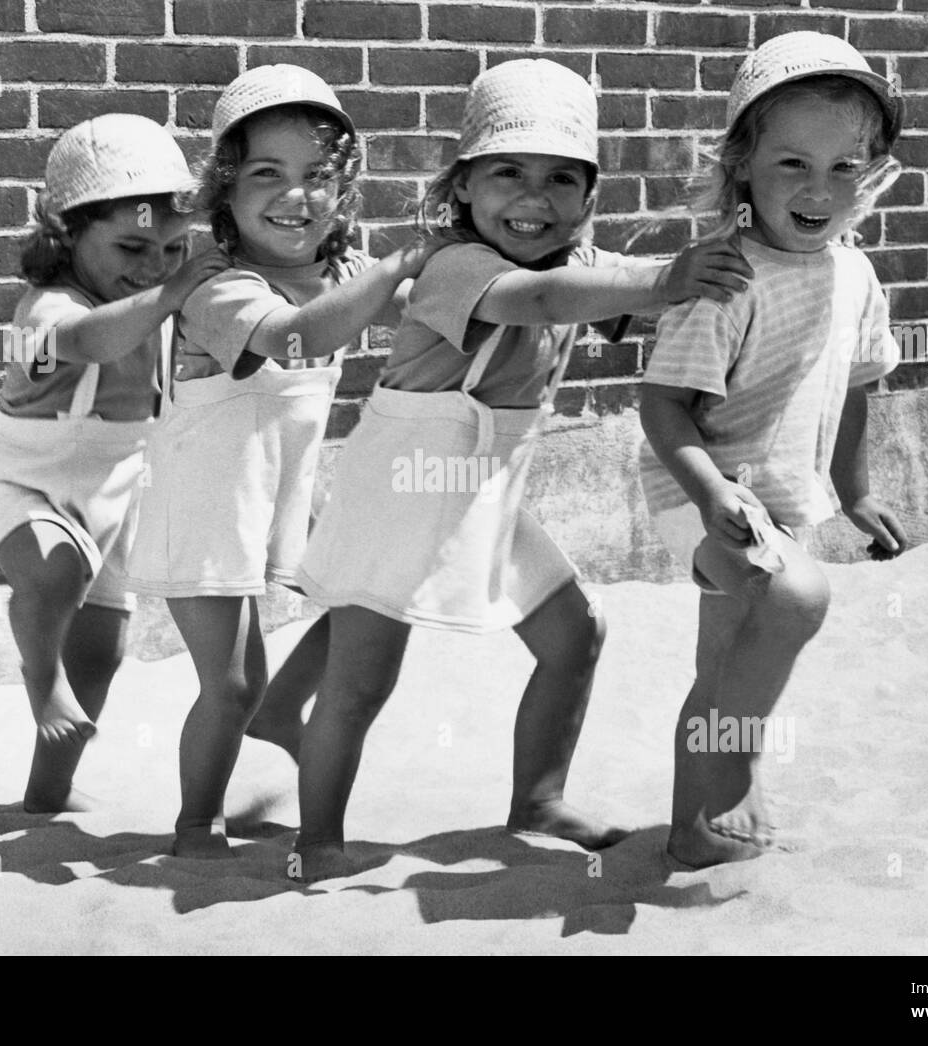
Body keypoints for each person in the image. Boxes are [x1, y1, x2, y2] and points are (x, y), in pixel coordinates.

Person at [293, 59, 754, 880]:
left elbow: (614, 293)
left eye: (560, 179)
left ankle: (537, 800)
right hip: (403, 484)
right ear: (462, 187)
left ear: (587, 198)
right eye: (507, 172)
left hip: (486, 490)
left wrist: (736, 249)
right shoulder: (454, 265)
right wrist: (661, 278)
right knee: (363, 677)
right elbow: (540, 302)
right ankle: (318, 838)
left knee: (577, 632)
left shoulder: (579, 262)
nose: (533, 199)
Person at [123, 66, 433, 857]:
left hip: (274, 498)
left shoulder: (339, 271)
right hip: (201, 507)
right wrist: (398, 268)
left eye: (317, 178)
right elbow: (297, 336)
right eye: (267, 175)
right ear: (223, 192)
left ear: (343, 191)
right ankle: (197, 825)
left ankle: (279, 711)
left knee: (364, 586)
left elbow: (433, 307)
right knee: (227, 686)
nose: (295, 196)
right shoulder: (218, 287)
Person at [638, 31, 910, 869]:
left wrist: (854, 490)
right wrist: (714, 494)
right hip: (699, 487)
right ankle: (734, 770)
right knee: (795, 597)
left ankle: (693, 834)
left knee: (721, 664)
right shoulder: (727, 277)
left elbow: (858, 385)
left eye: (844, 167)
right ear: (742, 165)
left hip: (783, 494)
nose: (820, 188)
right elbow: (661, 406)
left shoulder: (856, 275)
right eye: (793, 163)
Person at [0, 114, 228, 812]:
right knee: (52, 569)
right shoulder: (49, 307)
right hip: (23, 484)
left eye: (172, 250)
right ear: (67, 234)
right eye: (132, 246)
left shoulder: (147, 305)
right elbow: (84, 343)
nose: (153, 266)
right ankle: (38, 678)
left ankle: (48, 791)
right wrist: (168, 294)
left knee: (104, 652)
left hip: (112, 490)